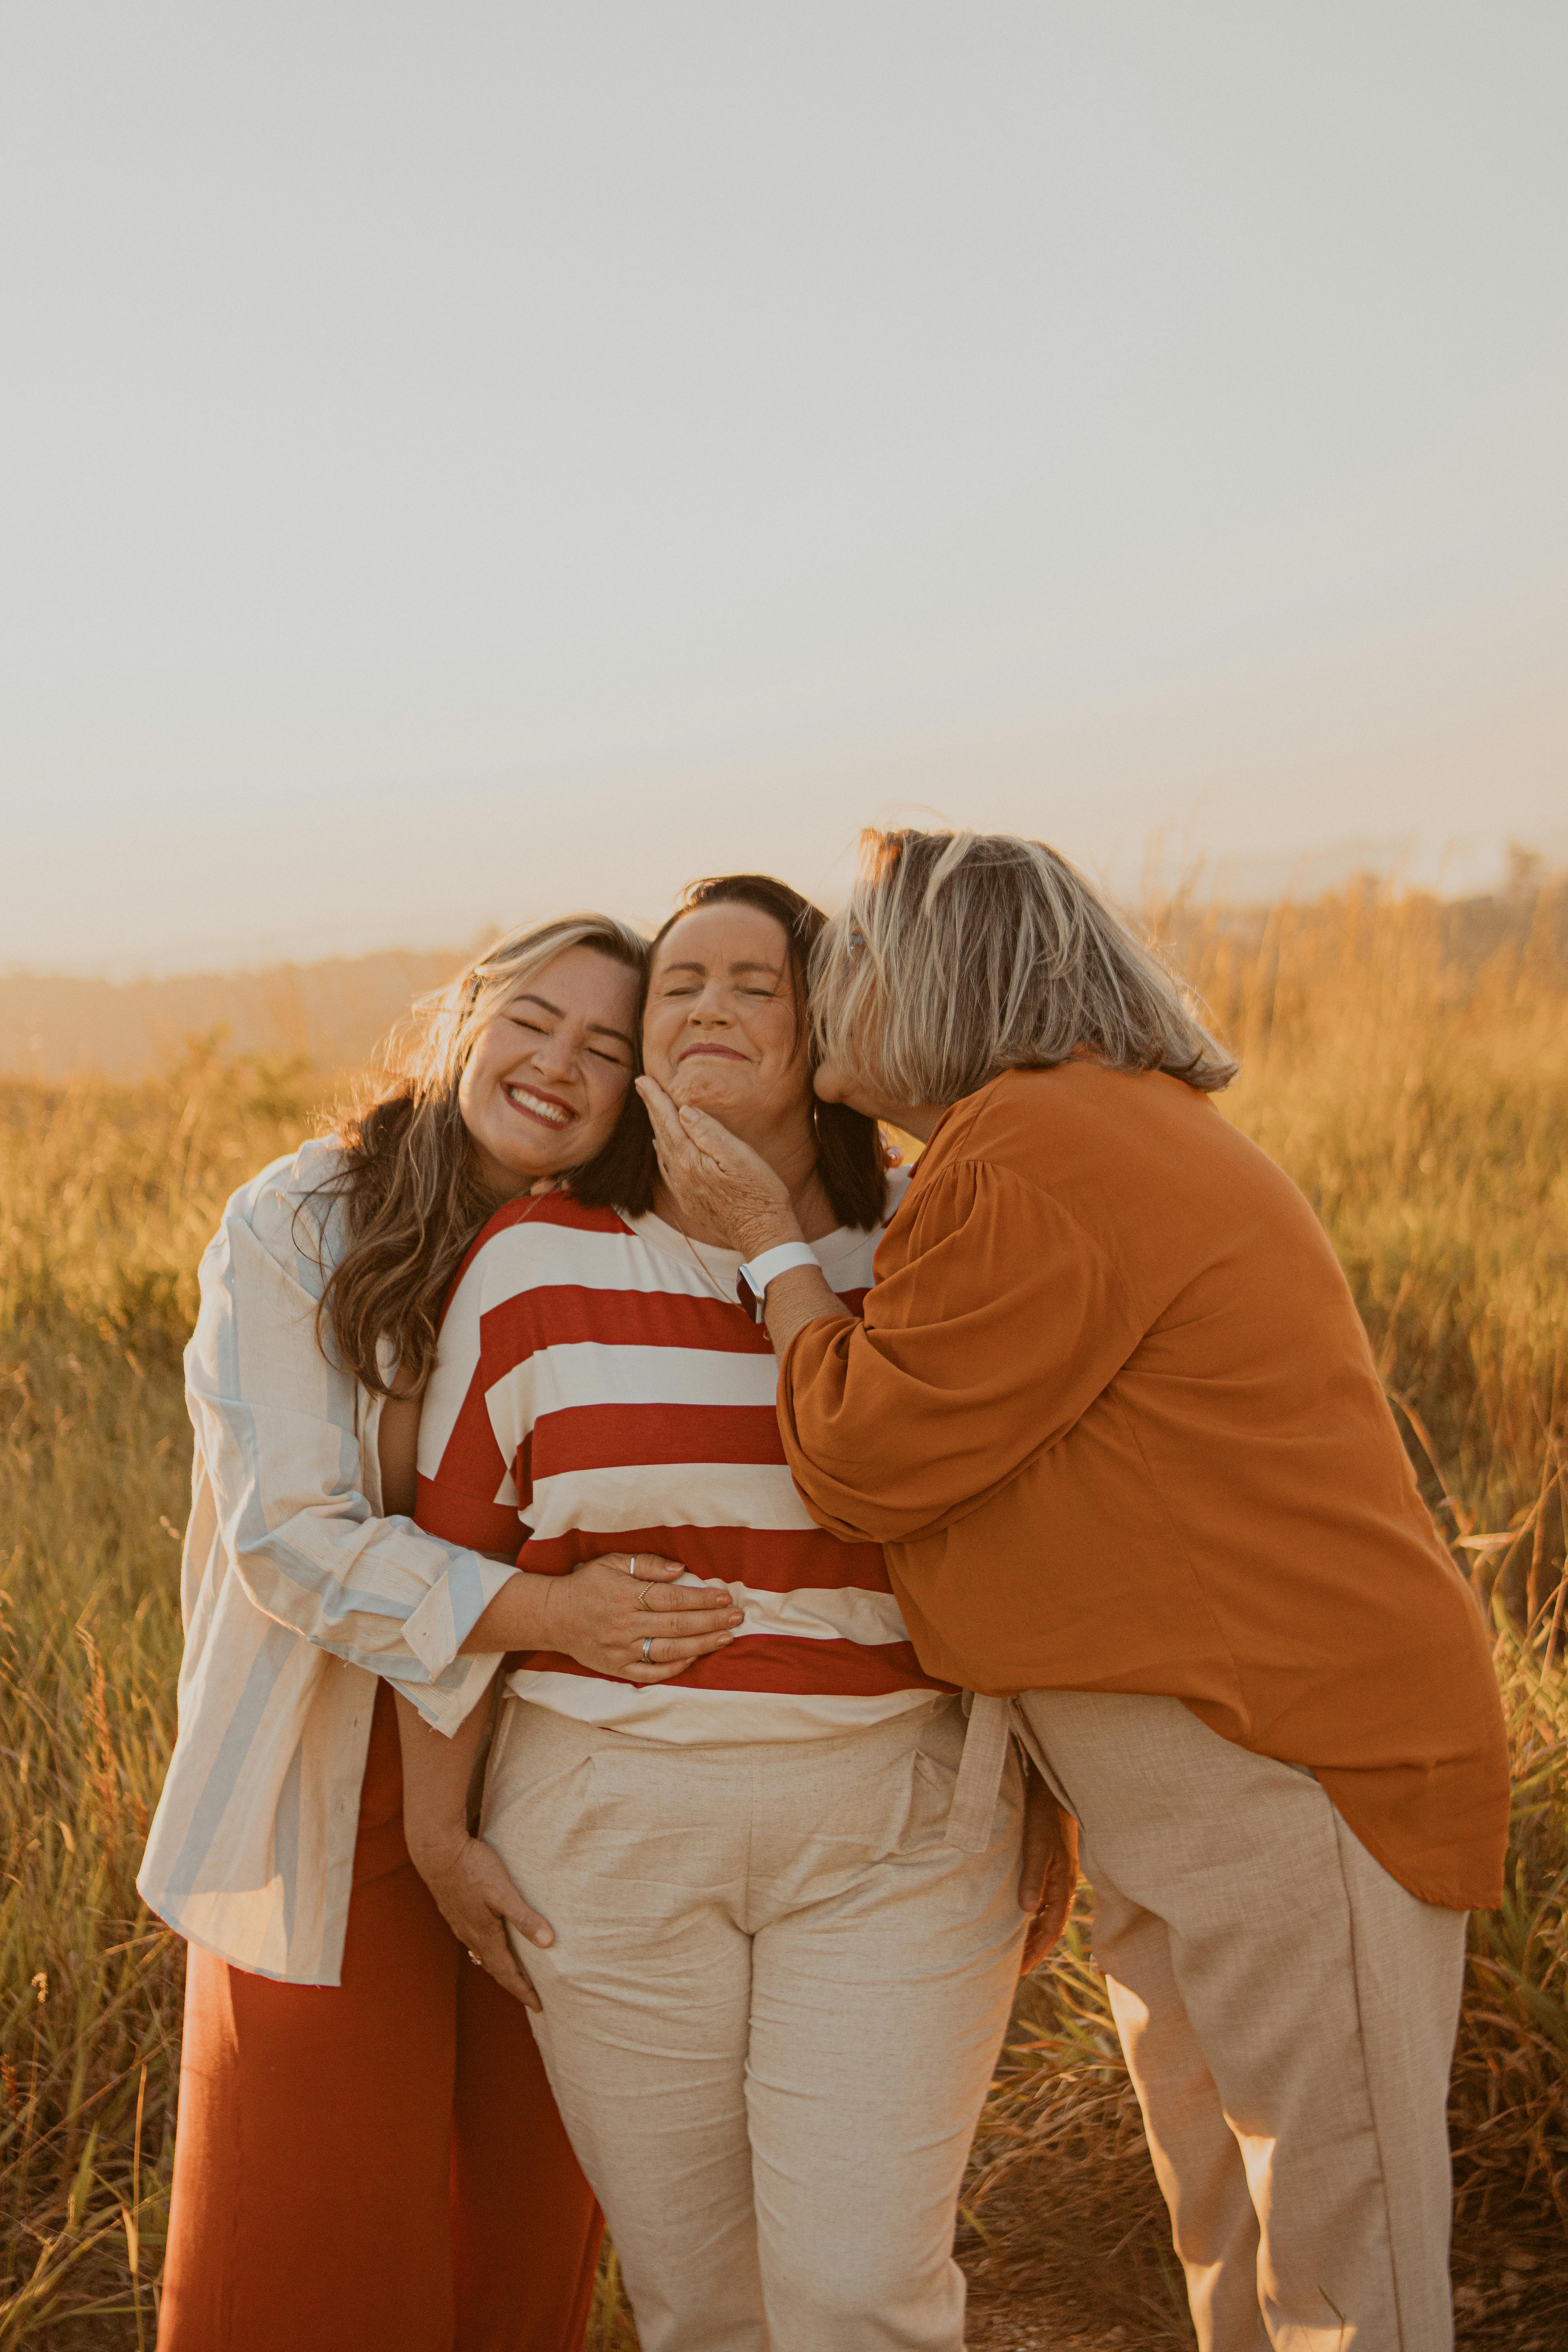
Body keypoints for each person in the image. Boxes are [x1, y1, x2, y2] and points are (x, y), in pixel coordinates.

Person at [641, 828, 1512, 2352]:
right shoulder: (1038, 1142)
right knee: (1234, 2230)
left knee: (1341, 2259)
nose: (826, 992)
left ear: (945, 977)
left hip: (1287, 1760)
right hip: (1203, 1770)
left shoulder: (1048, 1146)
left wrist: (769, 1246)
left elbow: (867, 1457)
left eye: (854, 958)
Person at [401, 873, 1073, 2352]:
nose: (709, 1007)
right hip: (607, 1829)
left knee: (863, 2294)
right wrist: (438, 1833)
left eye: (754, 984)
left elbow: (1029, 1537)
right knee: (701, 2304)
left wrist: (1052, 1794)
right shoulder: (533, 1260)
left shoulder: (926, 1236)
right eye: (680, 986)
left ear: (826, 1029)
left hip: (898, 1823)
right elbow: (449, 1566)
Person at [140, 913, 746, 2352]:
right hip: (334, 1772)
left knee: (522, 2212)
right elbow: (289, 1536)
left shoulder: (637, 1243)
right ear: (469, 1016)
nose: (558, 1064)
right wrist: (553, 1610)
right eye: (534, 1020)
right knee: (314, 2215)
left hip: (551, 1776)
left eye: (605, 1048)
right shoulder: (301, 1221)